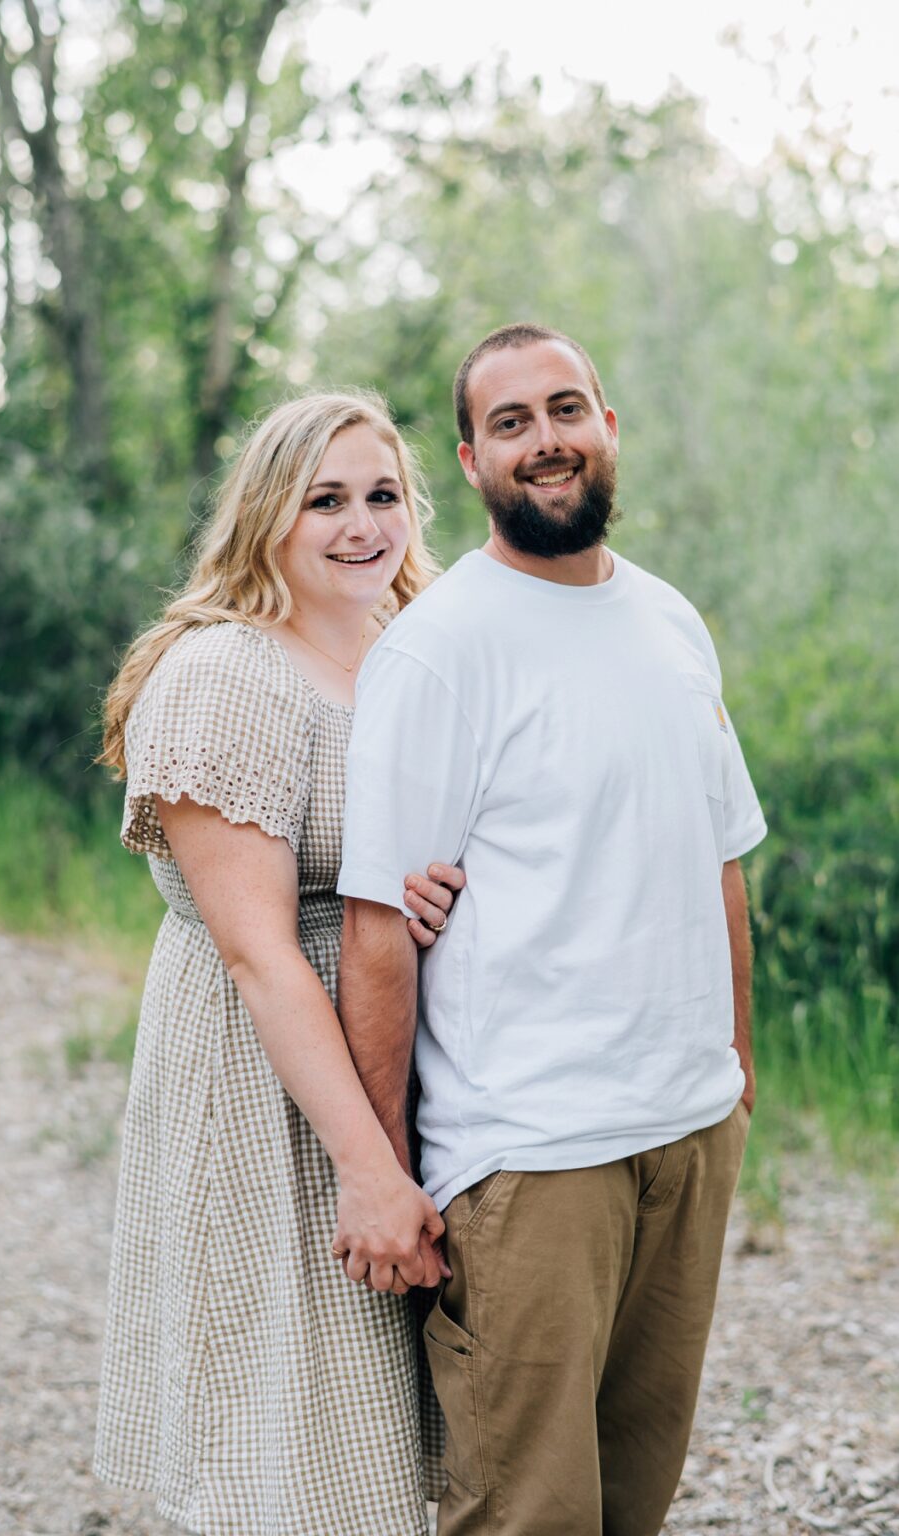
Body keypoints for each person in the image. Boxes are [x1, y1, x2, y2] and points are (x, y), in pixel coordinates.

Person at [333, 324, 767, 1536]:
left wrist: (733, 1070)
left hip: (684, 1130)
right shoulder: (439, 650)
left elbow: (718, 857)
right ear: (470, 461)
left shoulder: (672, 623)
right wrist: (391, 1169)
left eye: (565, 409)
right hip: (528, 1160)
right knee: (527, 1515)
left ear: (608, 429)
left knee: (635, 1500)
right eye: (511, 424)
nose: (546, 441)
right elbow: (377, 930)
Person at [93, 391, 459, 1536]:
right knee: (295, 1428)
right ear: (265, 515)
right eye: (326, 500)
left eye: (383, 496)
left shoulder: (420, 645)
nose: (363, 526)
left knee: (400, 1422)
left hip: (404, 1052)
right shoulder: (226, 677)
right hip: (272, 1079)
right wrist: (367, 1166)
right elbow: (257, 952)